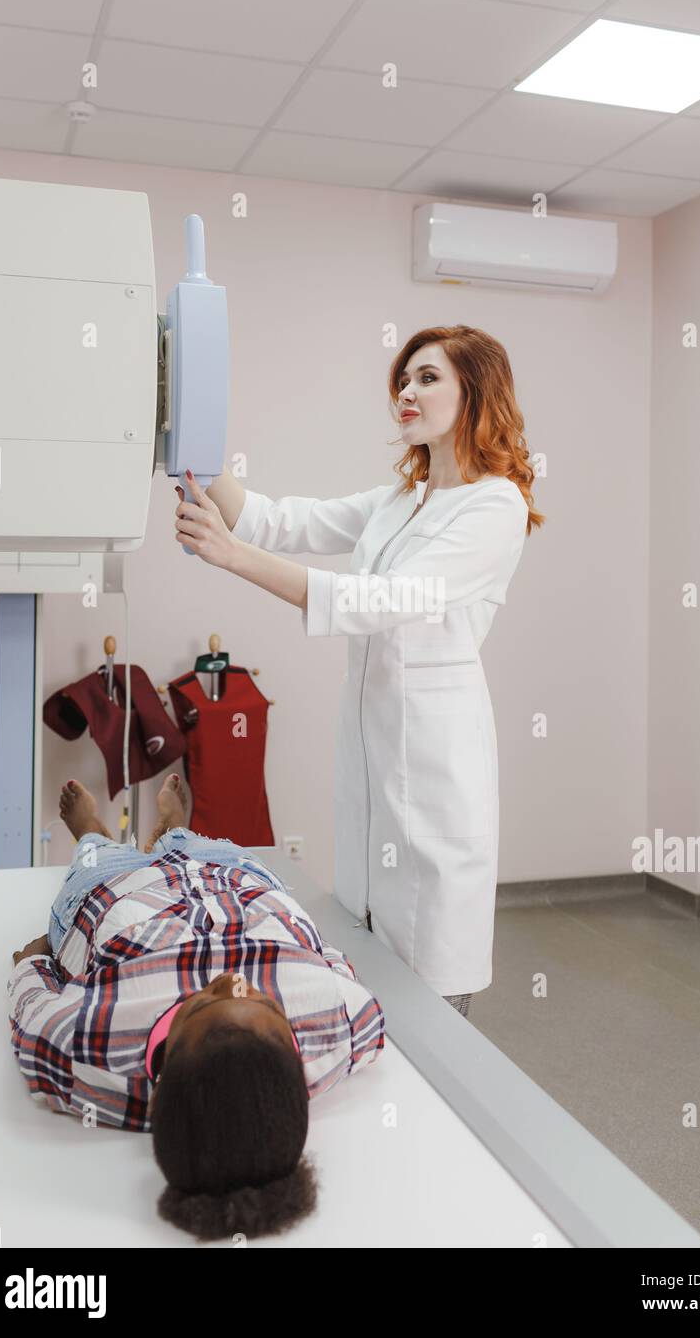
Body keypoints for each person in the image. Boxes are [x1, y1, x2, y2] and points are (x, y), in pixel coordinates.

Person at [175, 325, 543, 1020]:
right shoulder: (400, 500)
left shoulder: (496, 505)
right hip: (374, 767)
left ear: (476, 391)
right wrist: (190, 446)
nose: (407, 391)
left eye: (428, 378)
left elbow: (380, 602)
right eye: (404, 379)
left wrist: (232, 558)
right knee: (368, 976)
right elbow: (277, 521)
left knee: (433, 1001)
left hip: (436, 771)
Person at [7, 774, 384, 1242]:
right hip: (235, 878)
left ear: (160, 1082)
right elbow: (334, 961)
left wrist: (33, 962)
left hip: (112, 890)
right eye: (264, 1004)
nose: (231, 981)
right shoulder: (346, 1019)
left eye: (203, 1004)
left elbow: (31, 1008)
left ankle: (92, 833)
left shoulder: (85, 1047)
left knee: (95, 855)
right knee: (190, 840)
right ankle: (171, 827)